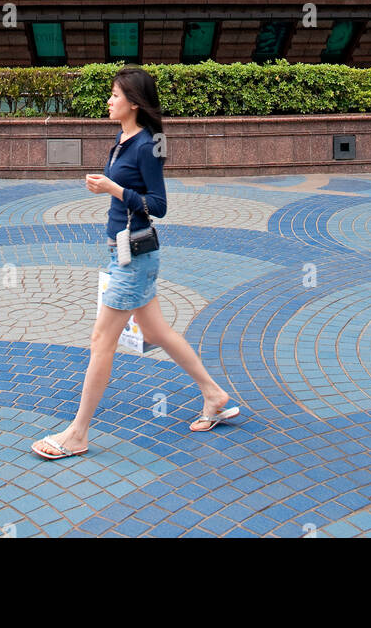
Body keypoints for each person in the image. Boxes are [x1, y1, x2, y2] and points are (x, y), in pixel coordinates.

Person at [31, 66, 240, 458]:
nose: (108, 101)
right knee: (157, 332)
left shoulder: (146, 145)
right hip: (123, 252)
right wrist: (110, 188)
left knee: (100, 341)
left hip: (134, 257)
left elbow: (157, 206)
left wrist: (113, 188)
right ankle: (214, 395)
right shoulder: (123, 138)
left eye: (114, 95)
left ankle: (77, 434)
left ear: (134, 102)